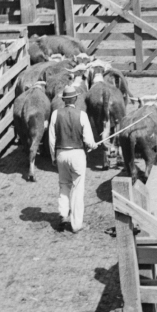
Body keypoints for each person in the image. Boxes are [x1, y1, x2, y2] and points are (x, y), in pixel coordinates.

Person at [48, 82, 97, 234]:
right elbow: (88, 140)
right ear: (75, 99)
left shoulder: (55, 114)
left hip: (61, 153)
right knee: (77, 188)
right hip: (77, 154)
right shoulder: (82, 115)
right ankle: (76, 224)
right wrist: (94, 145)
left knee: (63, 184)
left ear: (63, 99)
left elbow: (51, 138)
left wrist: (53, 157)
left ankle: (63, 214)